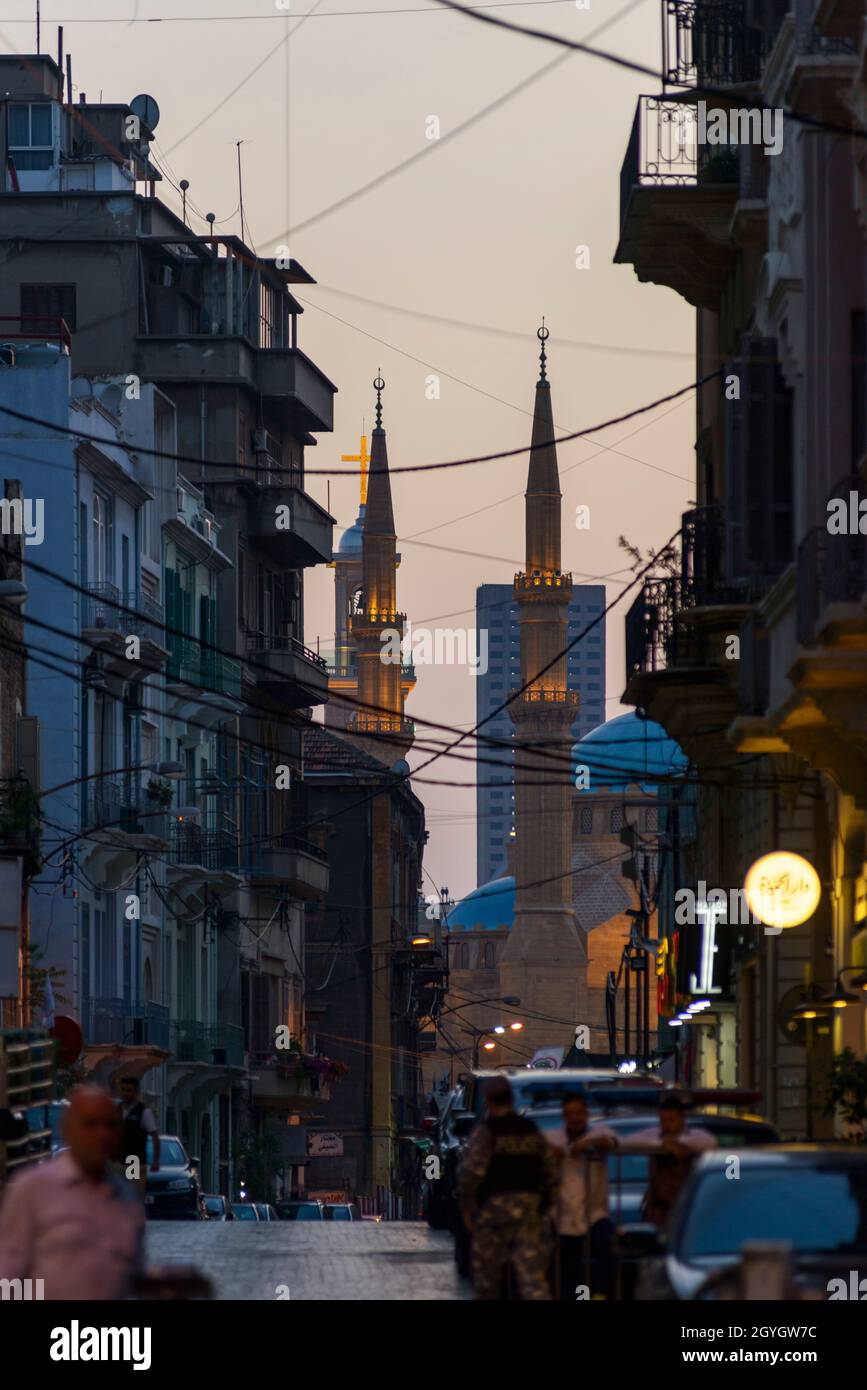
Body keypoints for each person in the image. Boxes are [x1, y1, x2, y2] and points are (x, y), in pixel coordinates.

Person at [0, 1085, 145, 1300]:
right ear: (68, 1130)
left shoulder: (125, 1197)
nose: (102, 1134)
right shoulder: (33, 1189)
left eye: (110, 1125)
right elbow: (9, 1273)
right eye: (90, 1124)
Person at [458, 1076, 558, 1301]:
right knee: (533, 1280)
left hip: (495, 1212)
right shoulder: (531, 1130)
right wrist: (545, 1205)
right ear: (512, 1099)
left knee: (487, 1280)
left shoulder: (487, 1131)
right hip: (530, 1211)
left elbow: (470, 1173)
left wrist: (467, 1208)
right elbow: (551, 1171)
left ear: (488, 1101)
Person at [552, 1093, 618, 1300]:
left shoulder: (599, 1133)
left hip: (595, 1215)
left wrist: (586, 1143)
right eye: (570, 1113)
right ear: (564, 1115)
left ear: (586, 1114)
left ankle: (599, 1294)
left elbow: (612, 1141)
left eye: (579, 1113)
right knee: (566, 1269)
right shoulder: (553, 1138)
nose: (575, 1118)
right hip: (563, 1218)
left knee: (607, 1248)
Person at [620, 1094, 716, 1229]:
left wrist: (678, 1143)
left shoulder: (695, 1136)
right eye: (663, 1120)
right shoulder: (656, 1135)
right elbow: (626, 1142)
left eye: (671, 1120)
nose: (666, 1125)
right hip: (659, 1213)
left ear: (683, 1119)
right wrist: (661, 1145)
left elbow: (709, 1142)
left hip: (689, 1209)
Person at [117, 1075, 160, 1198]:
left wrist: (155, 1161)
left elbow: (155, 1136)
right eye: (123, 1089)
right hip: (117, 1160)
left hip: (134, 1160)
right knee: (116, 1197)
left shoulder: (143, 1112)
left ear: (136, 1092)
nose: (125, 1093)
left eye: (129, 1090)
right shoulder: (117, 1109)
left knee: (132, 1195)